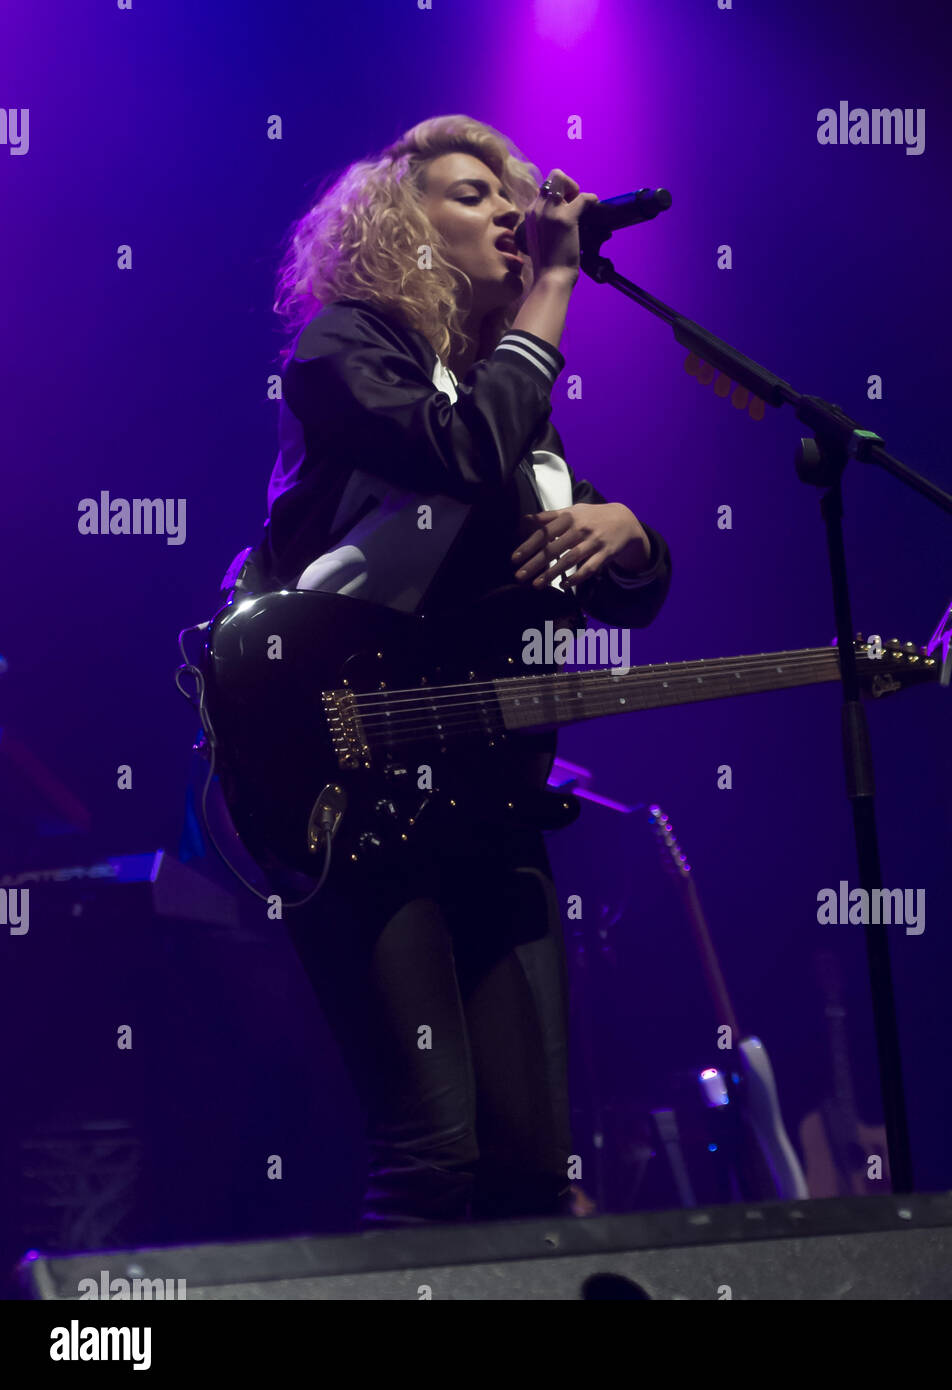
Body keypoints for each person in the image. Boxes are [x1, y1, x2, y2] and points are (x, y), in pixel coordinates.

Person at [223, 115, 672, 1228]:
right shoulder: (345, 350)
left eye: (515, 194)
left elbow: (603, 580)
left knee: (532, 1165)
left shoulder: (517, 409)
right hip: (348, 788)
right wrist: (554, 289)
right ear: (400, 228)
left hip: (491, 801)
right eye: (473, 194)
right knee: (433, 1154)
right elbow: (459, 451)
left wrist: (631, 533)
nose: (512, 213)